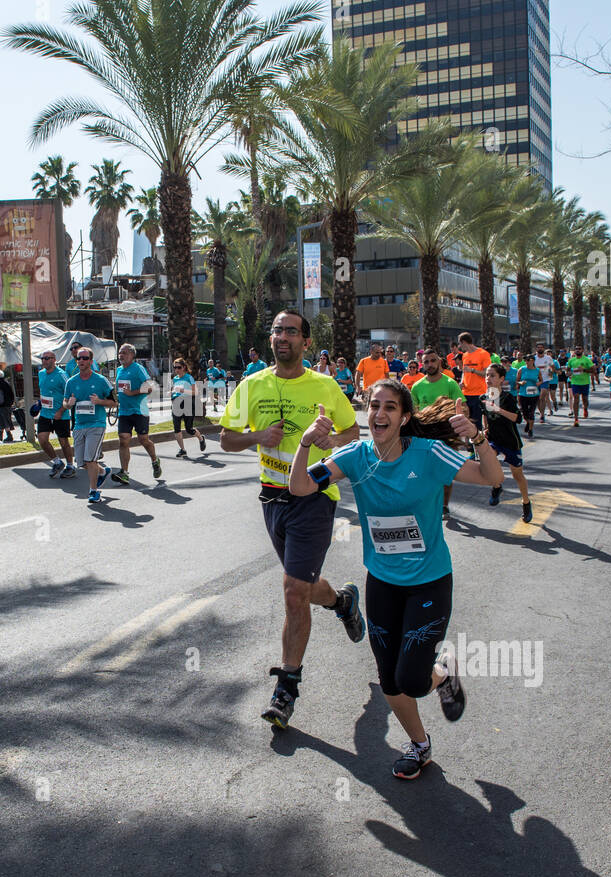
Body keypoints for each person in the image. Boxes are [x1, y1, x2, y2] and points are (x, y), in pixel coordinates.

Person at [289, 379, 503, 779]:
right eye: (374, 406)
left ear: (404, 418)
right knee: (390, 681)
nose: (380, 413)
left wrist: (477, 437)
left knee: (413, 679)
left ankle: (441, 672)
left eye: (390, 407)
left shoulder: (429, 453)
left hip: (429, 581)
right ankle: (420, 745)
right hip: (383, 582)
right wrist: (304, 445)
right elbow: (300, 487)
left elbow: (492, 478)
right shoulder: (354, 455)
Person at [219, 309, 364, 730]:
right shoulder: (251, 386)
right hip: (272, 497)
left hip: (315, 494)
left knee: (292, 590)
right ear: (271, 339)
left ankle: (286, 689)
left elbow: (352, 433)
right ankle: (342, 601)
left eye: (292, 331)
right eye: (277, 330)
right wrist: (258, 437)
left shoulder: (324, 385)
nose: (283, 337)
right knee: (302, 587)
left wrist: (330, 438)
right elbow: (226, 438)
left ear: (305, 341)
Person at [410, 349, 466, 519]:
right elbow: (414, 412)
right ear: (422, 364)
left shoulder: (450, 384)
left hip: (446, 434)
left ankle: (444, 506)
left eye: (433, 360)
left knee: (446, 472)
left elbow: (461, 406)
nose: (430, 364)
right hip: (424, 435)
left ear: (439, 362)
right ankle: (426, 503)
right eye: (426, 362)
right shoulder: (417, 386)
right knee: (424, 472)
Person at [482, 363, 532, 522]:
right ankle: (497, 487)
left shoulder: (507, 398)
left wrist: (498, 409)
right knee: (488, 461)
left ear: (501, 379)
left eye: (492, 375)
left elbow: (517, 419)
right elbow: (485, 414)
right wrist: (485, 428)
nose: (488, 378)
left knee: (518, 475)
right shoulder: (484, 397)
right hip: (494, 440)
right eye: (487, 375)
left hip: (510, 441)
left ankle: (526, 503)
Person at [63, 347, 114, 503]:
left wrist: (99, 402)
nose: (81, 361)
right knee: (82, 462)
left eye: (85, 358)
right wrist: (68, 404)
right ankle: (103, 472)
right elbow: (65, 403)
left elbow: (114, 402)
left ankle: (93, 491)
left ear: (91, 361)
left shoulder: (101, 381)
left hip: (96, 424)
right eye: (79, 358)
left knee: (91, 459)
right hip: (79, 425)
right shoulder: (71, 382)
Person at [112, 343, 162, 483]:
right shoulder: (119, 370)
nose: (121, 355)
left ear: (132, 355)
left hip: (139, 410)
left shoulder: (138, 369)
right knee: (123, 439)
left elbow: (150, 387)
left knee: (143, 440)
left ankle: (154, 460)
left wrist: (132, 393)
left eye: (125, 353)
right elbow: (120, 389)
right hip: (124, 411)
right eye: (120, 353)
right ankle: (125, 473)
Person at [36, 350, 75, 477]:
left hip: (60, 414)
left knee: (63, 442)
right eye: (42, 358)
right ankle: (57, 462)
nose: (44, 361)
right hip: (45, 413)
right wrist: (39, 404)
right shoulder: (41, 374)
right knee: (42, 439)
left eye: (47, 358)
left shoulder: (61, 375)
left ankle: (70, 465)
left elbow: (71, 394)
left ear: (54, 359)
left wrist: (61, 411)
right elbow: (43, 392)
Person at [170, 357, 207, 457]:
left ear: (184, 367)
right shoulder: (175, 378)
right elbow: (174, 391)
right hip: (176, 404)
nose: (177, 370)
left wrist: (182, 391)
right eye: (175, 367)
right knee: (176, 428)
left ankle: (201, 438)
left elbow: (195, 392)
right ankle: (182, 450)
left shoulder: (188, 377)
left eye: (179, 367)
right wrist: (172, 393)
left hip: (187, 403)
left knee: (189, 429)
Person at [456, 331, 490, 431]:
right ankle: (470, 444)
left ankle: (478, 444)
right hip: (466, 393)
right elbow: (464, 372)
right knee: (467, 420)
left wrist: (473, 370)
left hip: (479, 393)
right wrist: (462, 381)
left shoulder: (483, 354)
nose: (459, 346)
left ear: (464, 342)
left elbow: (486, 373)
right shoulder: (465, 355)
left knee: (477, 422)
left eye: (460, 343)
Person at [515, 352, 540, 439]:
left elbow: (541, 380)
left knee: (531, 412)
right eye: (525, 360)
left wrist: (538, 383)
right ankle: (528, 422)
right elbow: (516, 380)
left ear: (533, 361)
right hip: (523, 394)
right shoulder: (522, 369)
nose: (526, 362)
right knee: (524, 413)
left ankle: (530, 429)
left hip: (534, 394)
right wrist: (520, 382)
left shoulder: (537, 370)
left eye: (528, 360)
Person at [567, 343, 593, 426]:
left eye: (579, 349)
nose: (578, 350)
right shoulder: (571, 360)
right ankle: (576, 419)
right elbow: (567, 370)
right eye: (576, 349)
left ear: (582, 350)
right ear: (575, 351)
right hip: (575, 382)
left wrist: (584, 369)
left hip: (585, 382)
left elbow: (593, 370)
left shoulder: (586, 360)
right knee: (576, 398)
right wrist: (568, 374)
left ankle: (585, 409)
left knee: (585, 399)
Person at [534, 342, 556, 419]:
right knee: (538, 399)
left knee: (542, 396)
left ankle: (542, 414)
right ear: (536, 349)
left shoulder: (548, 358)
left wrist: (551, 373)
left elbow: (553, 367)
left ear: (544, 349)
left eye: (541, 347)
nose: (540, 348)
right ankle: (541, 412)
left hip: (545, 380)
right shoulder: (534, 358)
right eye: (538, 347)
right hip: (536, 380)